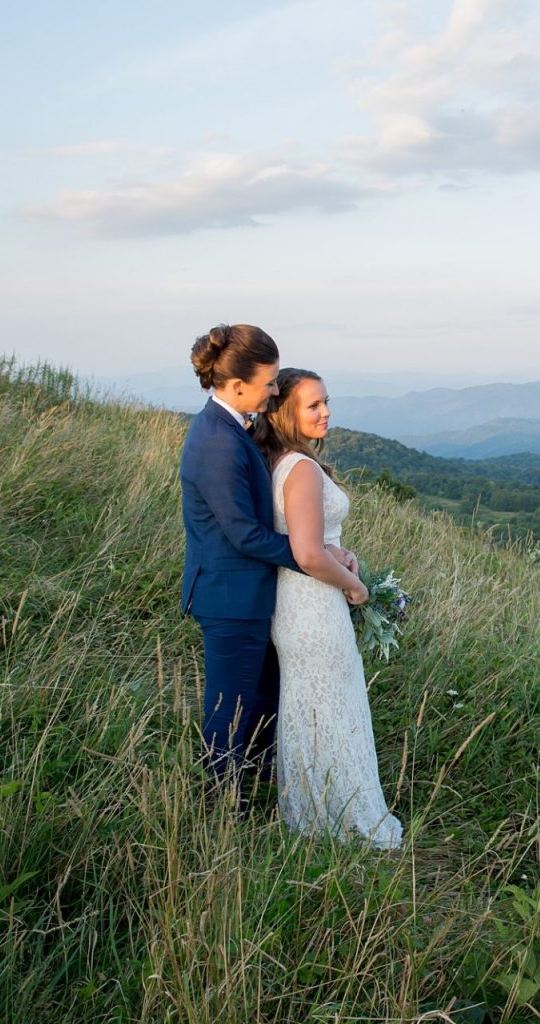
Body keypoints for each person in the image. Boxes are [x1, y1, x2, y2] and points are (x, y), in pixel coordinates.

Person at [254, 367, 404, 848]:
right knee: (330, 708)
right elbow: (309, 553)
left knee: (314, 708)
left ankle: (315, 816)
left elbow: (311, 542)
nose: (326, 412)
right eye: (313, 405)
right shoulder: (300, 468)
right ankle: (339, 820)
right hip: (312, 606)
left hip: (298, 602)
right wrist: (356, 588)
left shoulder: (282, 461)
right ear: (285, 413)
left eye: (326, 402)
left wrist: (341, 554)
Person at [179, 324, 299, 802]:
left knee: (259, 697)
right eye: (269, 382)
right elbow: (243, 533)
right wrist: (311, 558)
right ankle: (221, 805)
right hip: (229, 597)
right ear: (236, 386)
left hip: (245, 592)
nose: (275, 389)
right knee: (229, 707)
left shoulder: (230, 427)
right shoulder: (217, 442)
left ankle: (254, 781)